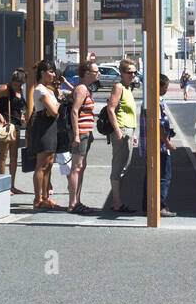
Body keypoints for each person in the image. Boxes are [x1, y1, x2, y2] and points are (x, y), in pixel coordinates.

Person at [139, 74, 177, 217]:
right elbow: (158, 124)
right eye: (165, 87)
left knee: (150, 176)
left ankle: (147, 206)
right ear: (159, 87)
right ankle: (159, 206)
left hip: (153, 144)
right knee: (164, 177)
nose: (166, 89)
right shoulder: (155, 101)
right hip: (158, 145)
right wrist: (167, 142)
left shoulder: (149, 100)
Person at [105, 58, 138, 213]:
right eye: (129, 72)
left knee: (125, 166)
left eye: (134, 72)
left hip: (129, 130)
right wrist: (117, 130)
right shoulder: (119, 87)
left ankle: (117, 201)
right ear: (122, 73)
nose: (132, 75)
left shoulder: (128, 88)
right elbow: (110, 108)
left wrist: (134, 132)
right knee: (119, 166)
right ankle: (117, 202)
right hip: (122, 130)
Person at [28, 59, 62, 210]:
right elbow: (55, 111)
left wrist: (56, 106)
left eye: (54, 71)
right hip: (43, 127)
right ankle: (37, 199)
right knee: (41, 165)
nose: (54, 74)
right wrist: (57, 106)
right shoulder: (40, 89)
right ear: (43, 73)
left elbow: (55, 110)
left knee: (49, 164)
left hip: (51, 127)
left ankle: (46, 197)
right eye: (51, 71)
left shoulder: (49, 90)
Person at [66, 60, 98, 214]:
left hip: (86, 132)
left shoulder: (85, 88)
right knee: (76, 167)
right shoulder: (82, 89)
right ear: (87, 73)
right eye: (95, 71)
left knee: (81, 167)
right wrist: (77, 134)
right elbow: (74, 111)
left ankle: (77, 201)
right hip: (81, 133)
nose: (98, 73)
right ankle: (73, 203)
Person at [0, 69, 27, 194]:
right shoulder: (5, 89)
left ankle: (12, 185)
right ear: (12, 81)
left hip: (16, 125)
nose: (18, 86)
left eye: (20, 84)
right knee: (3, 156)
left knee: (14, 156)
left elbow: (20, 106)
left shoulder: (20, 90)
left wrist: (22, 114)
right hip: (5, 124)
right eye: (16, 84)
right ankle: (3, 186)